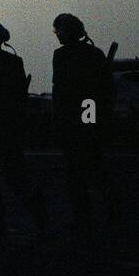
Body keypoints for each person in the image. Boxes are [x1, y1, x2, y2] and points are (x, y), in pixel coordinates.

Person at [0, 19, 47, 239]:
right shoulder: (15, 62)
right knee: (15, 177)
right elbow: (20, 99)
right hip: (9, 130)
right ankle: (39, 214)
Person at [52, 13, 118, 237]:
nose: (57, 34)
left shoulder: (61, 56)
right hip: (89, 120)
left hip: (74, 122)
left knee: (77, 174)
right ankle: (110, 212)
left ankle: (85, 219)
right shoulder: (94, 54)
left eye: (58, 30)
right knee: (95, 170)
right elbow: (106, 89)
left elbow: (60, 91)